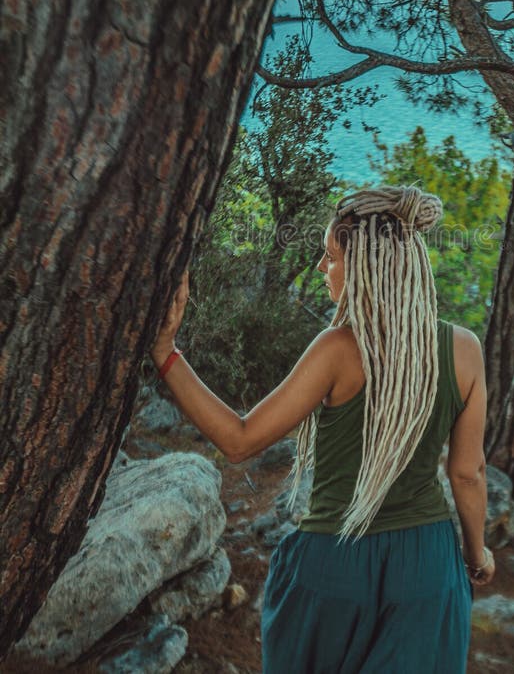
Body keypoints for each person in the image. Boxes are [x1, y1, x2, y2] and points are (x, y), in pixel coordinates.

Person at [152, 184, 495, 673]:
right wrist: (476, 555)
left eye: (331, 257)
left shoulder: (336, 350)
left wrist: (166, 354)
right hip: (427, 568)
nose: (320, 267)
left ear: (366, 269)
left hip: (337, 566)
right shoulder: (464, 350)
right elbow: (467, 473)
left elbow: (239, 440)